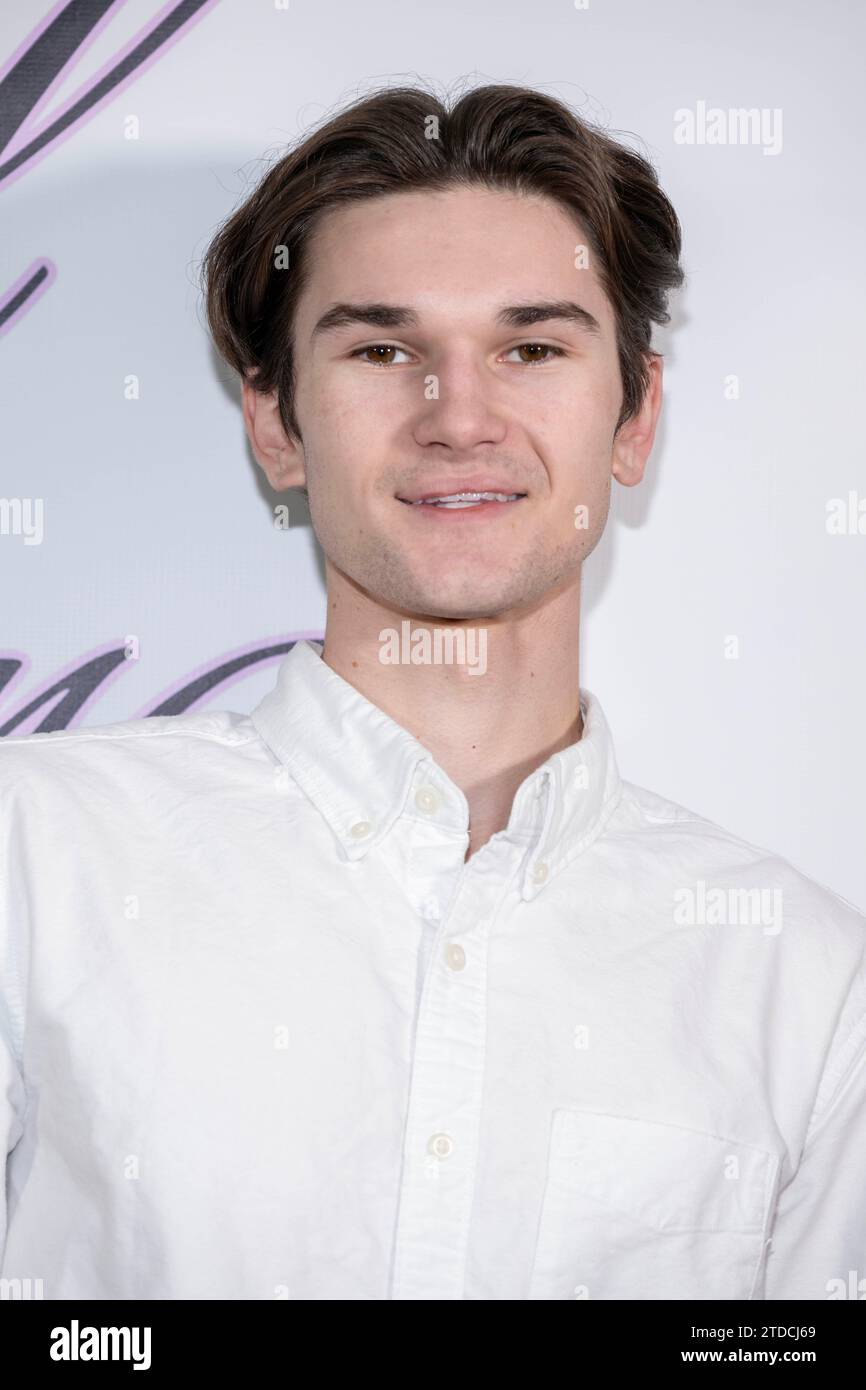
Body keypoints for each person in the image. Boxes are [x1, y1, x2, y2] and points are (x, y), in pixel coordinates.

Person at [1, 82, 863, 1302]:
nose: (459, 417)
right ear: (275, 425)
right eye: (382, 349)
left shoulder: (807, 987)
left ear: (634, 417)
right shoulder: (31, 861)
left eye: (531, 348)